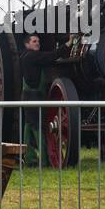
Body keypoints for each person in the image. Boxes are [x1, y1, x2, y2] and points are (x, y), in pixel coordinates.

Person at [19, 34, 61, 163]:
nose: (37, 43)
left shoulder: (25, 56)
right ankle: (43, 160)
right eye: (34, 41)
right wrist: (68, 45)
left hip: (28, 96)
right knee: (37, 127)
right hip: (33, 96)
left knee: (28, 126)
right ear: (27, 44)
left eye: (38, 41)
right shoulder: (32, 56)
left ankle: (29, 157)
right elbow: (50, 57)